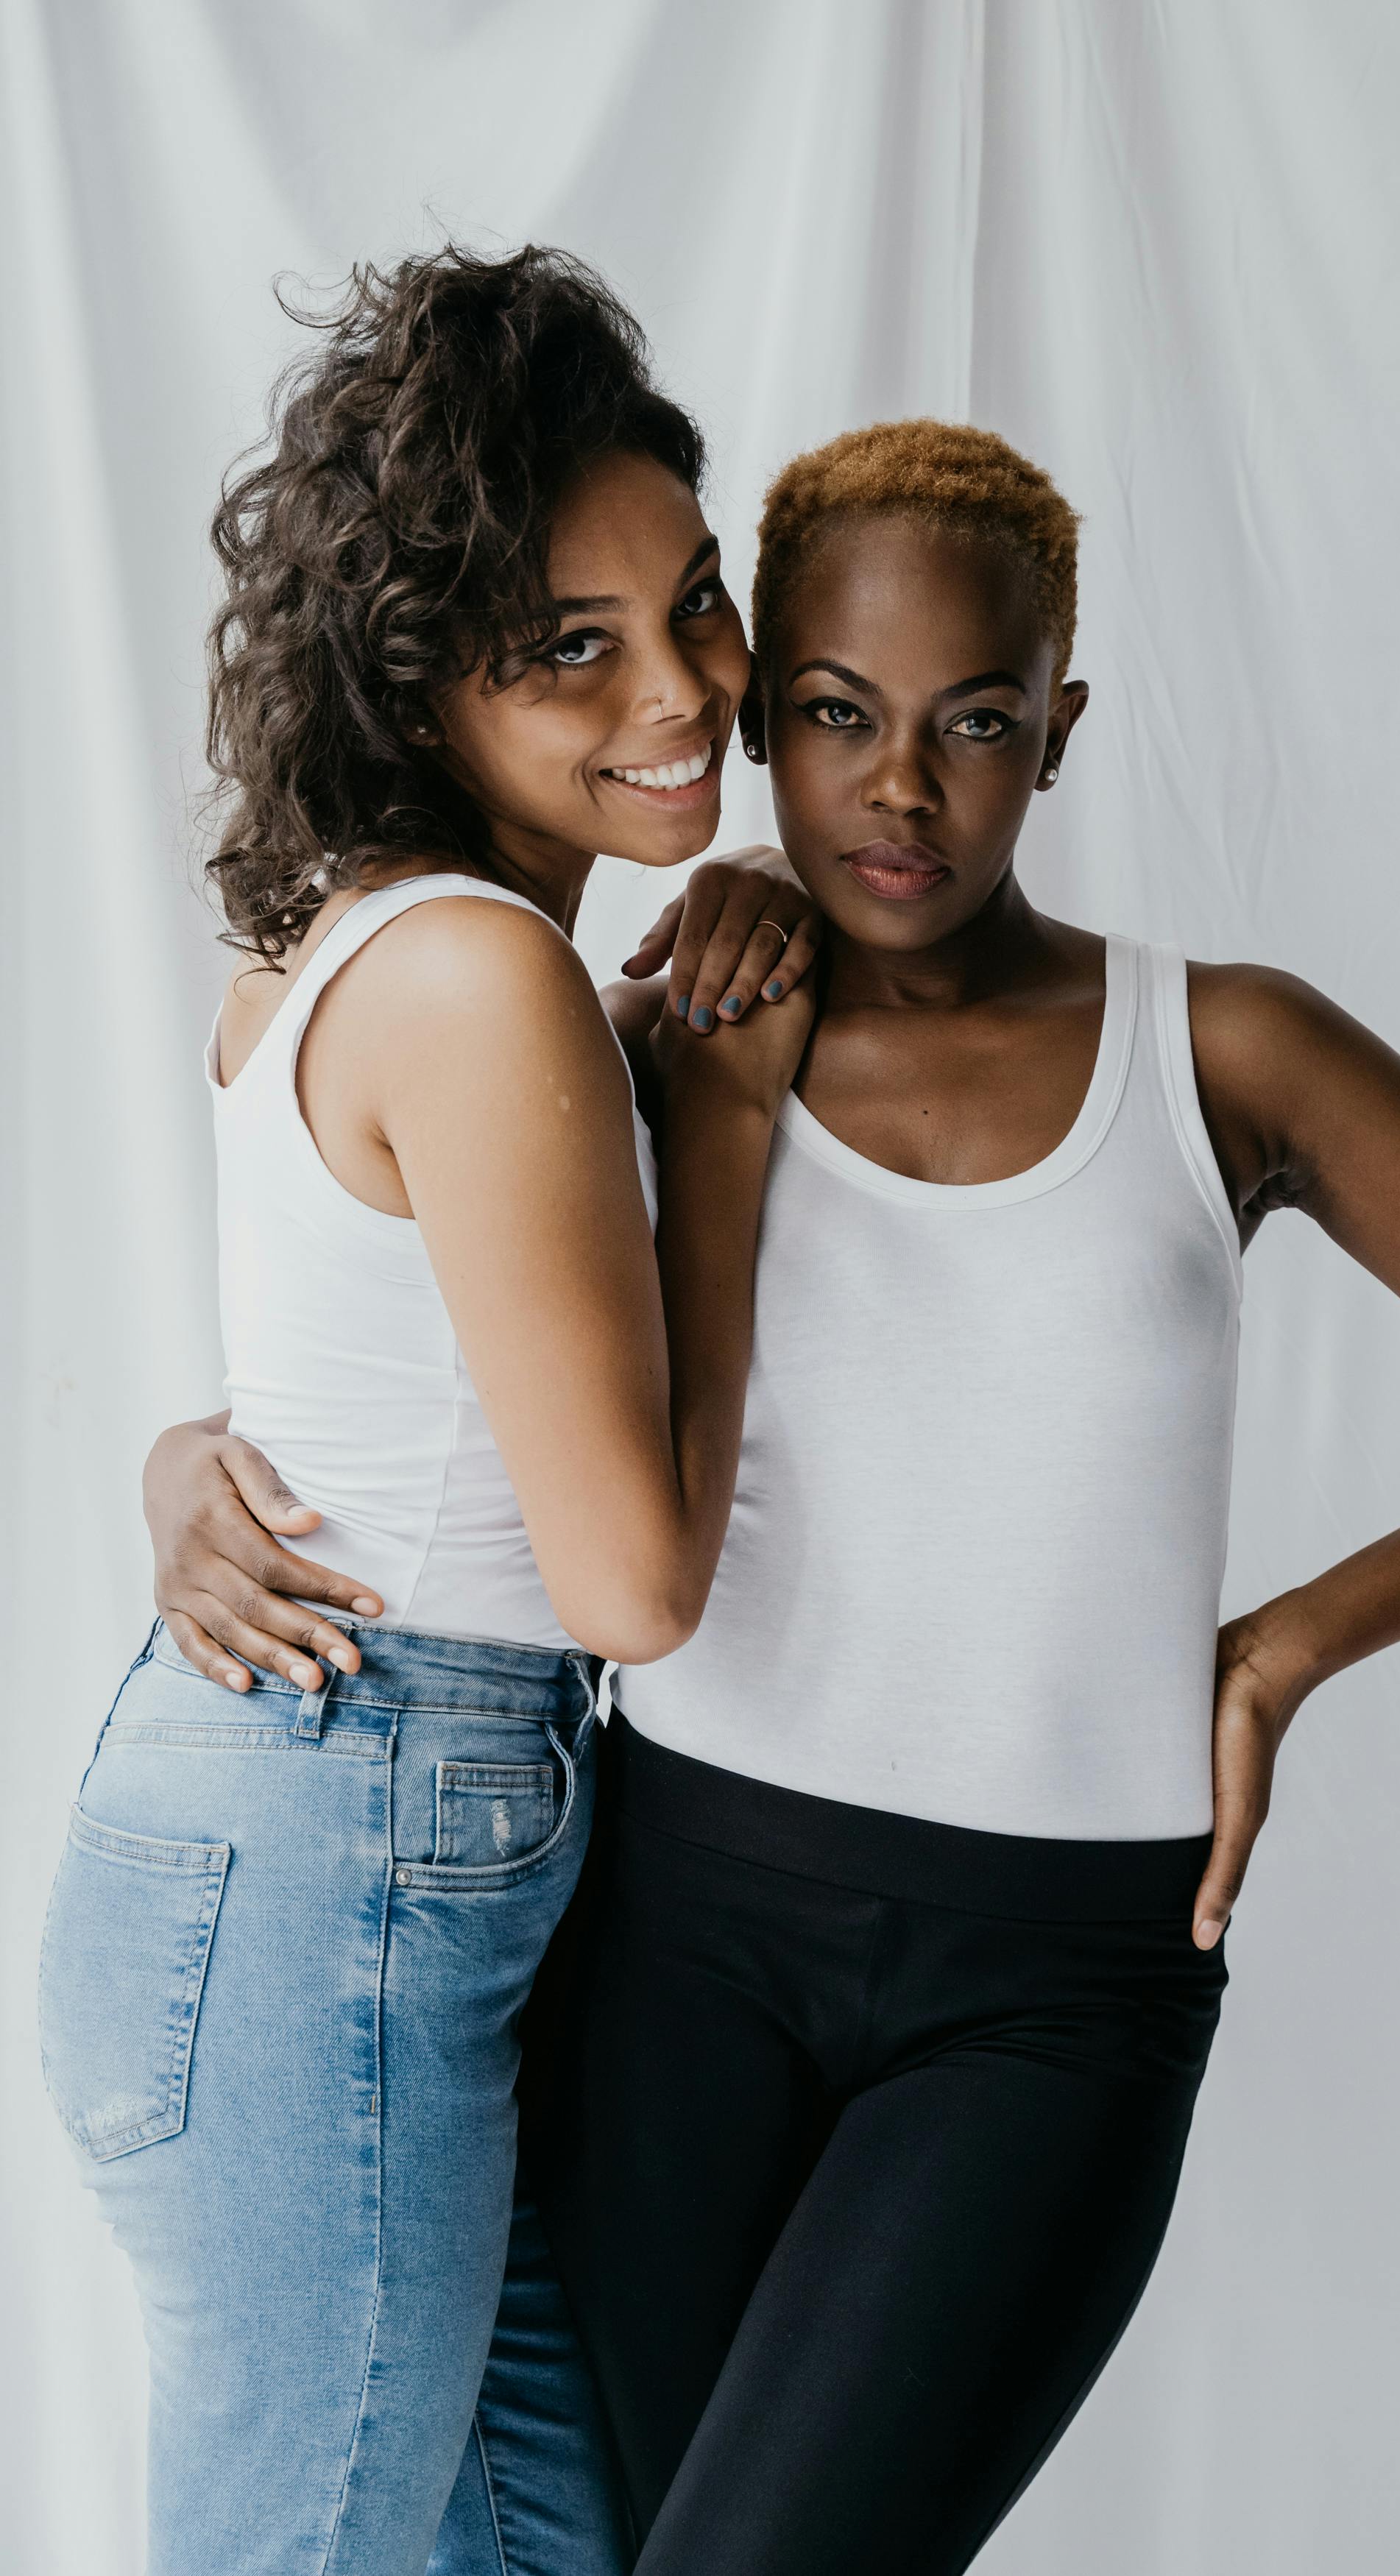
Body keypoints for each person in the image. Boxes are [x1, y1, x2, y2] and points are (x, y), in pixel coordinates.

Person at [143, 421, 1400, 2576]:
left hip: (1055, 1987)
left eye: (976, 722)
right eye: (839, 717)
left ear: (1057, 728)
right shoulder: (656, 1037)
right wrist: (179, 1467)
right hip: (677, 1942)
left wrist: (1281, 1650)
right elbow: (407, 1308)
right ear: (772, 704)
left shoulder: (1221, 1054)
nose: (902, 789)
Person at [36, 244, 817, 2576]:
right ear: (418, 670)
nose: (684, 691)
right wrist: (732, 1139)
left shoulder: (357, 944)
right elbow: (633, 1581)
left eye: (693, 604)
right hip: (343, 1853)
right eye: (571, 644)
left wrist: (176, 1466)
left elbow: (323, 1393)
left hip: (294, 1832)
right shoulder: (484, 979)